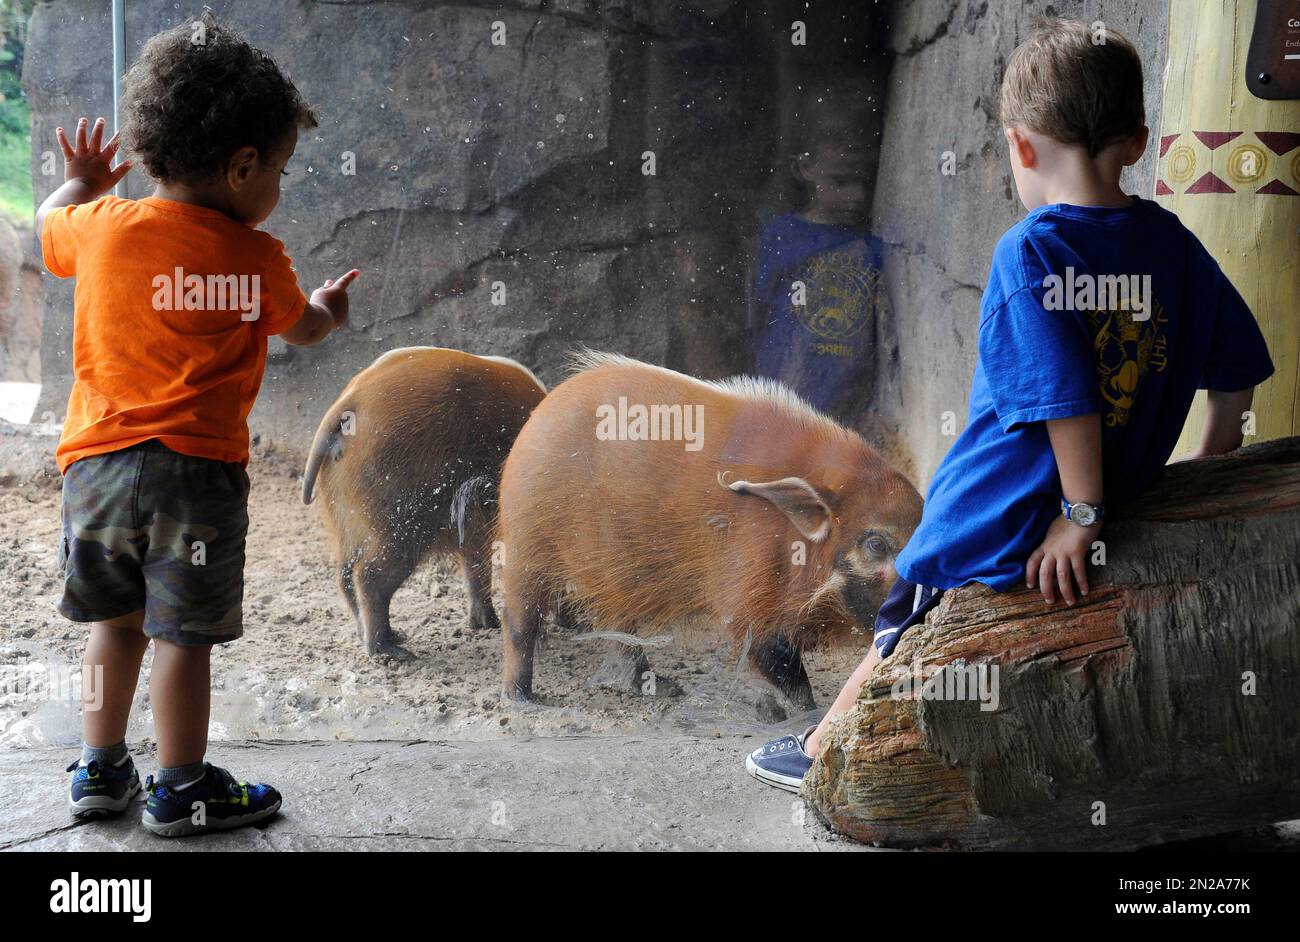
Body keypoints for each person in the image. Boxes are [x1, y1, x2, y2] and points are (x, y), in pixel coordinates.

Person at [746, 18, 1274, 793]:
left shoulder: (1031, 250)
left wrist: (1080, 513)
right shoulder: (1171, 245)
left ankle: (825, 752)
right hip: (1110, 490)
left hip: (1004, 509)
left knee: (905, 611)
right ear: (1136, 142)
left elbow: (1068, 399)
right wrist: (1217, 446)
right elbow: (1237, 356)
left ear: (1021, 149)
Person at [38, 13, 359, 835]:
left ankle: (101, 771)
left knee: (115, 627)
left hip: (97, 472)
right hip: (195, 476)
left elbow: (48, 227)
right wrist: (328, 305)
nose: (279, 184)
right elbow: (306, 328)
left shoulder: (102, 229)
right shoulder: (257, 260)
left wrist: (81, 182)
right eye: (279, 168)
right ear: (242, 165)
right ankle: (181, 788)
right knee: (182, 636)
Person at [751, 115, 890, 423]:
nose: (857, 195)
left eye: (864, 182)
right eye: (840, 182)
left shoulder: (873, 245)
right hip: (782, 399)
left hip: (848, 408)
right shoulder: (782, 236)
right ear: (804, 169)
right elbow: (759, 315)